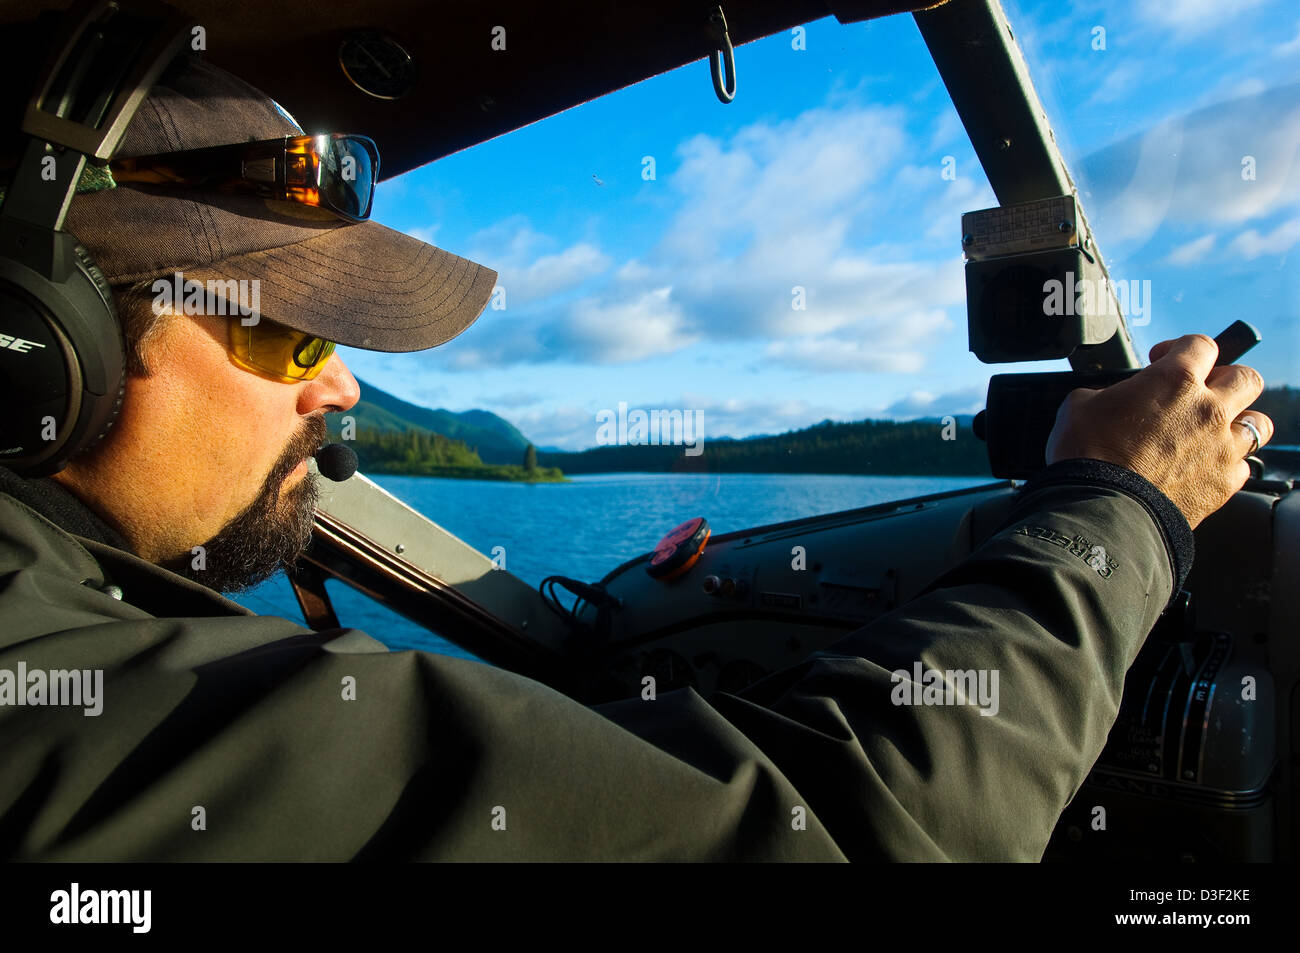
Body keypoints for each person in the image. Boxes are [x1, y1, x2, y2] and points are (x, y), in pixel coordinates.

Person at [0, 55, 1274, 862]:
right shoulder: (59, 703)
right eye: (284, 332)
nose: (338, 382)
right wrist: (1120, 507)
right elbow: (842, 840)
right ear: (43, 351)